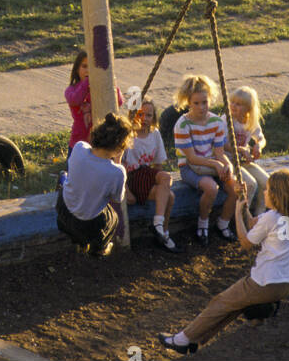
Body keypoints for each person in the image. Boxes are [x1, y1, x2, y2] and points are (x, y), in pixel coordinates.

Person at [158, 168, 289, 354]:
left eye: (267, 189)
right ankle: (195, 340)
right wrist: (242, 200)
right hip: (284, 283)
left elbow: (246, 242)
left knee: (219, 303)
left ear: (276, 194)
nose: (264, 192)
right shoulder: (287, 216)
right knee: (230, 307)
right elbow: (254, 223)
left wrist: (238, 213)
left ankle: (182, 339)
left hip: (263, 283)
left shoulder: (271, 218)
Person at [172, 73, 238, 246]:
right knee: (211, 188)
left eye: (205, 102)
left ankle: (223, 223)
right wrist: (216, 164)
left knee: (234, 186)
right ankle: (203, 224)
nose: (201, 107)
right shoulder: (182, 125)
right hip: (190, 167)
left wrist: (227, 165)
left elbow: (219, 152)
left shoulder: (216, 121)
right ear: (188, 102)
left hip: (210, 163)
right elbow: (192, 158)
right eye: (196, 103)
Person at [56, 112, 133, 258]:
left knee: (65, 177)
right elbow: (117, 198)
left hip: (63, 209)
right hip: (89, 224)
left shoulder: (79, 147)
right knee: (113, 218)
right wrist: (118, 161)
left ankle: (78, 241)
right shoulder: (117, 172)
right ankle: (99, 249)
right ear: (118, 149)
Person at [122, 96, 176, 250]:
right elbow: (118, 165)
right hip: (132, 177)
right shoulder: (129, 135)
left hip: (147, 175)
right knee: (166, 178)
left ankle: (163, 232)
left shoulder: (155, 133)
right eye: (140, 114)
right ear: (133, 115)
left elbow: (158, 164)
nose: (144, 118)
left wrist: (161, 186)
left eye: (149, 115)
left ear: (154, 117)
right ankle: (159, 225)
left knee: (170, 196)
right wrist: (126, 190)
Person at [65, 50, 125, 165]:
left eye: (92, 67)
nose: (89, 70)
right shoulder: (71, 90)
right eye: (85, 66)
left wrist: (111, 83)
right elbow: (75, 100)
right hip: (79, 142)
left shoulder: (102, 89)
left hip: (101, 143)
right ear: (77, 69)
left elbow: (118, 102)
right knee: (75, 174)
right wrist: (88, 81)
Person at [228, 86, 269, 217]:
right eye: (232, 102)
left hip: (243, 161)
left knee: (267, 182)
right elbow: (221, 145)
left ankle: (259, 215)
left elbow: (261, 138)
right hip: (229, 161)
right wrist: (240, 149)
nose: (233, 106)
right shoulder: (227, 120)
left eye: (238, 104)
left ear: (248, 109)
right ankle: (242, 218)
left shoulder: (250, 121)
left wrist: (258, 146)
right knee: (250, 184)